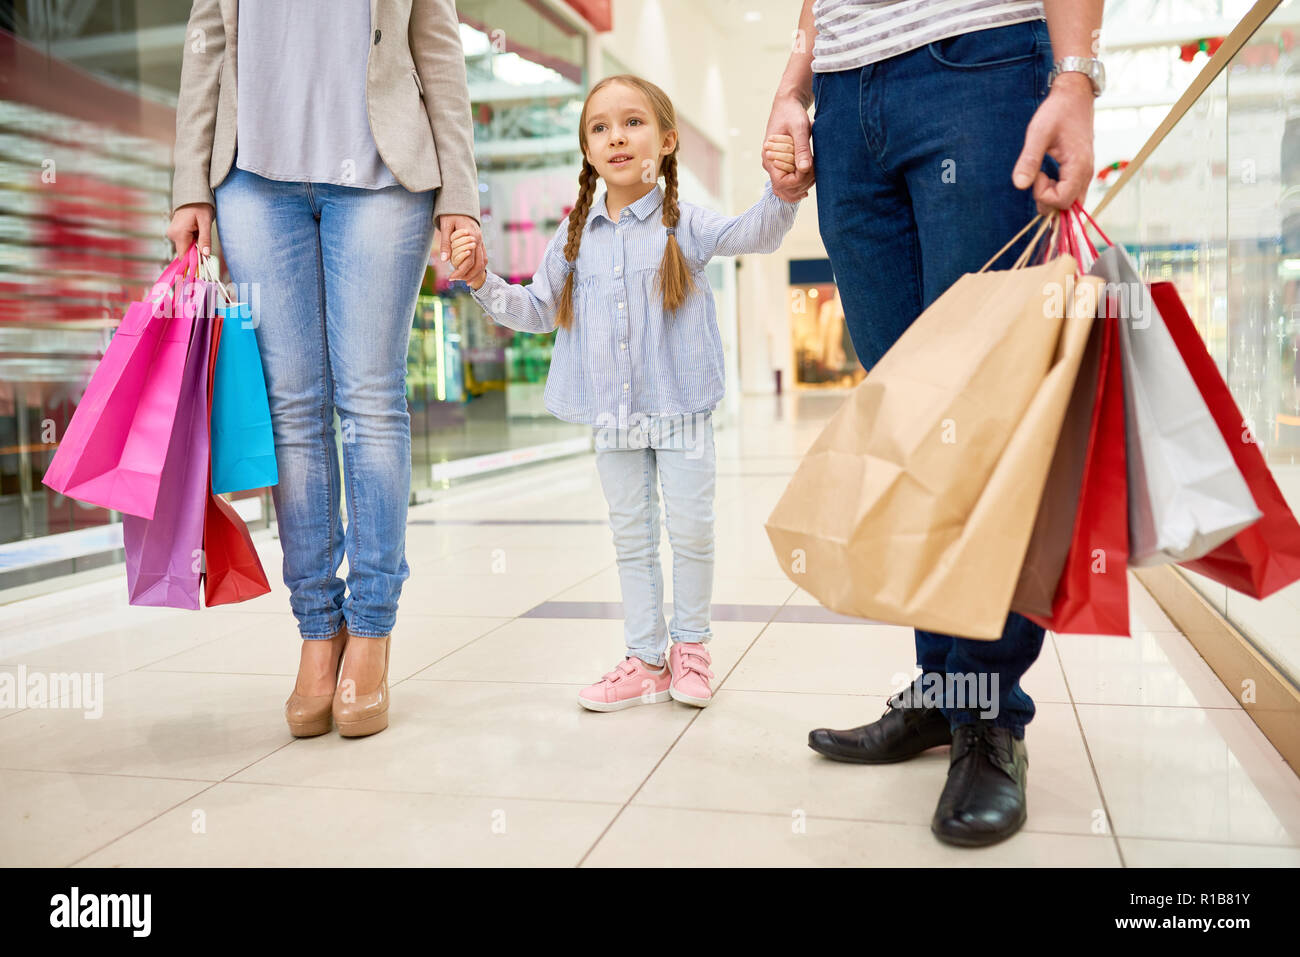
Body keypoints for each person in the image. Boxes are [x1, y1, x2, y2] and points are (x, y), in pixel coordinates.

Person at [763, 0, 1104, 846]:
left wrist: (1075, 75)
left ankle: (989, 711)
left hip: (982, 67)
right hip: (845, 100)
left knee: (985, 413)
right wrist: (793, 85)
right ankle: (944, 684)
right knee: (911, 419)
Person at [165, 0, 487, 739]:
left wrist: (460, 198)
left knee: (371, 400)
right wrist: (189, 183)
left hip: (381, 173)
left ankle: (371, 626)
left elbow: (436, 48)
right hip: (252, 176)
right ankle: (317, 627)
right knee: (292, 410)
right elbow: (206, 43)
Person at [451, 74, 801, 712]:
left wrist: (780, 193)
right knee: (631, 535)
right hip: (612, 416)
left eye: (633, 122)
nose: (617, 136)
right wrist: (481, 279)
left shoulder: (686, 225)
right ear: (587, 151)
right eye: (600, 127)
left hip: (682, 411)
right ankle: (645, 659)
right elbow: (535, 308)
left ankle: (690, 649)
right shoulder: (574, 237)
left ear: (667, 142)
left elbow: (755, 234)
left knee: (692, 531)